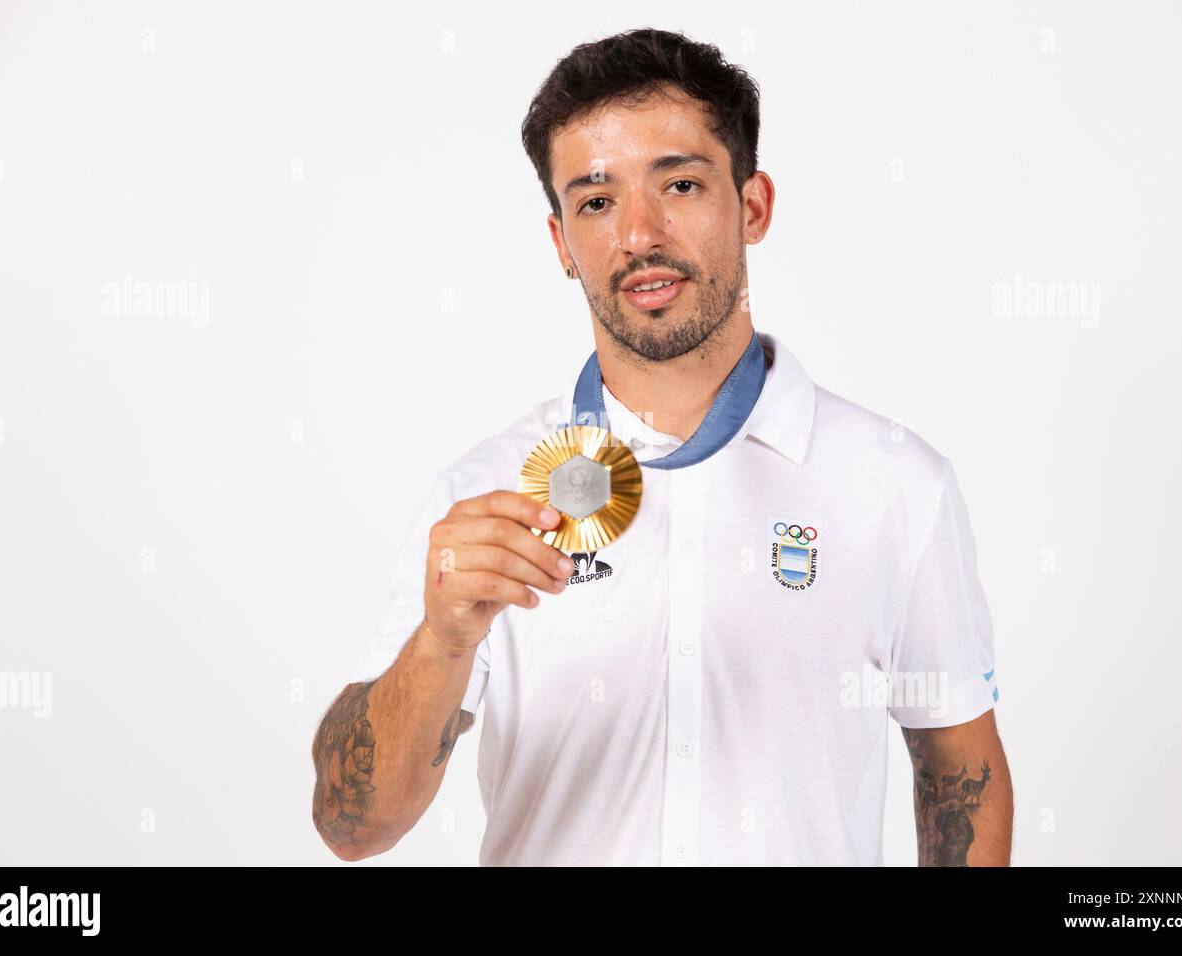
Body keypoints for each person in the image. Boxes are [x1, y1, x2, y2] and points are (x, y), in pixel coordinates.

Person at [312, 27, 1012, 866]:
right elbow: (351, 827)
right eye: (596, 201)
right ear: (562, 243)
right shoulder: (484, 495)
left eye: (678, 184)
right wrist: (442, 641)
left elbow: (958, 769)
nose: (639, 234)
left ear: (752, 205)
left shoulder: (895, 483)